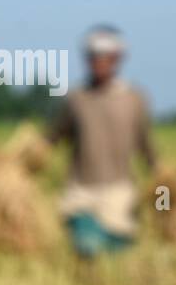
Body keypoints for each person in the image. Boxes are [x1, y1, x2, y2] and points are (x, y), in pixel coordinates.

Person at [44, 25, 157, 258]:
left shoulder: (134, 99)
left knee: (118, 253)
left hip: (120, 194)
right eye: (93, 57)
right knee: (87, 244)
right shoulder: (76, 99)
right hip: (81, 193)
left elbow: (146, 147)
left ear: (118, 59)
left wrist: (164, 191)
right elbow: (51, 139)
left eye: (105, 57)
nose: (98, 62)